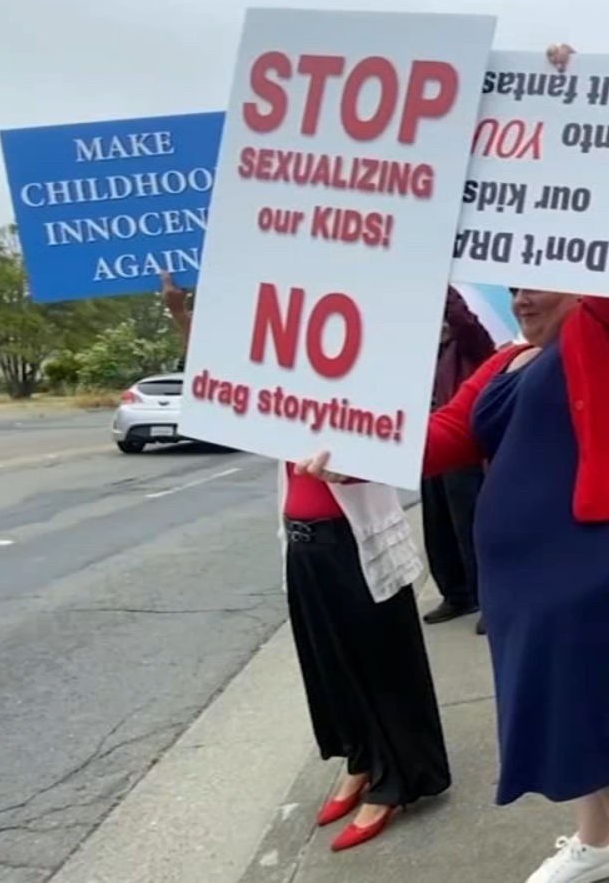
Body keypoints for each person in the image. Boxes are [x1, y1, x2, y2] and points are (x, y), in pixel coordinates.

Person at [300, 45, 609, 883]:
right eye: (517, 278)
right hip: (520, 583)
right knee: (573, 727)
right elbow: (442, 436)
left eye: (548, 274)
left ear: (591, 278)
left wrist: (577, 118)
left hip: (590, 572)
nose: (526, 290)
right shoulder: (506, 357)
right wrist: (348, 451)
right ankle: (594, 846)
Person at [161, 273, 452, 851]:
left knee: (383, 667)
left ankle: (397, 783)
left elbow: (401, 444)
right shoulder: (284, 384)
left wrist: (353, 460)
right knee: (332, 669)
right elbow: (228, 388)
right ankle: (361, 760)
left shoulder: (373, 373)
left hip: (356, 546)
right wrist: (181, 318)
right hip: (305, 546)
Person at [422, 287, 495, 634]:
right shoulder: (422, 351)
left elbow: (461, 318)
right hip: (426, 438)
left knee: (468, 525)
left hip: (459, 447)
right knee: (438, 526)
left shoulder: (470, 342)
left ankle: (487, 599)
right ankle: (456, 594)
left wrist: (441, 280)